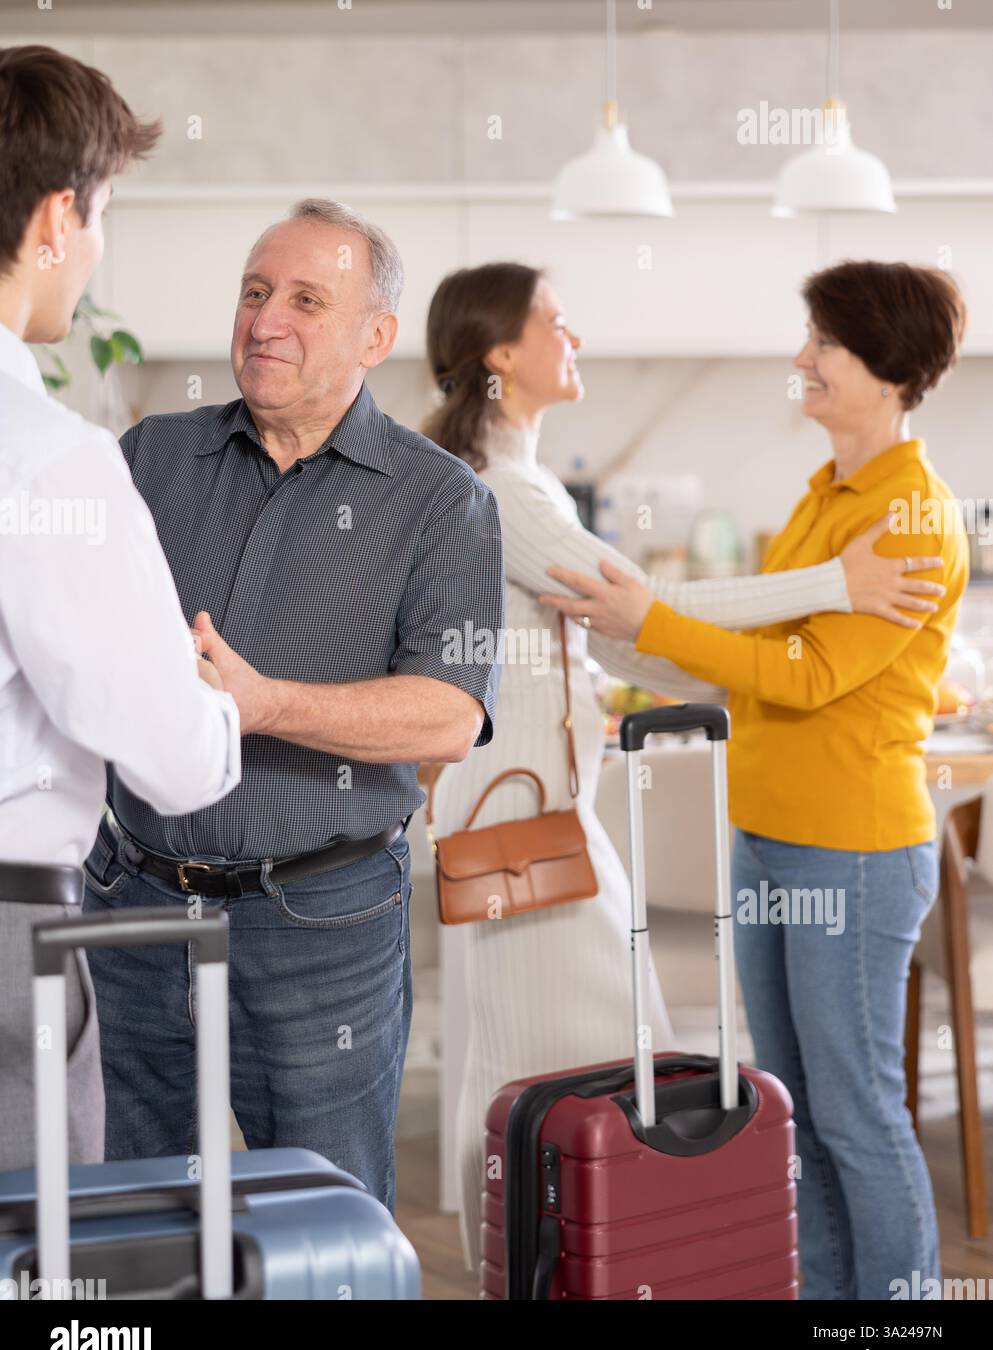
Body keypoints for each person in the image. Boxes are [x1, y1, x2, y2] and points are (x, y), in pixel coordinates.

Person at [421, 260, 947, 1275]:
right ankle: (589, 1263)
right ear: (501, 355)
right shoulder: (509, 489)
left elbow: (720, 651)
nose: (800, 360)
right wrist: (818, 584)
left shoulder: (906, 512)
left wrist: (653, 631)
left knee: (819, 1107)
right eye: (557, 320)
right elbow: (662, 624)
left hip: (840, 841)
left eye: (821, 344)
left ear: (882, 365)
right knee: (644, 1083)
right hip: (579, 832)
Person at [82, 199, 504, 1214]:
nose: (266, 319)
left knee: (322, 1213)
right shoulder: (150, 459)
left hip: (323, 919)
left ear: (376, 337)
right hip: (135, 896)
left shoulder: (443, 501)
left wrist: (263, 702)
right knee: (133, 1213)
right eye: (255, 291)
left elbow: (447, 715)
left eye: (308, 300)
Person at [0, 45, 241, 1172]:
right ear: (56, 216)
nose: (96, 252)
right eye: (100, 218)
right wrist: (210, 700)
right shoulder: (51, 459)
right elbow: (179, 762)